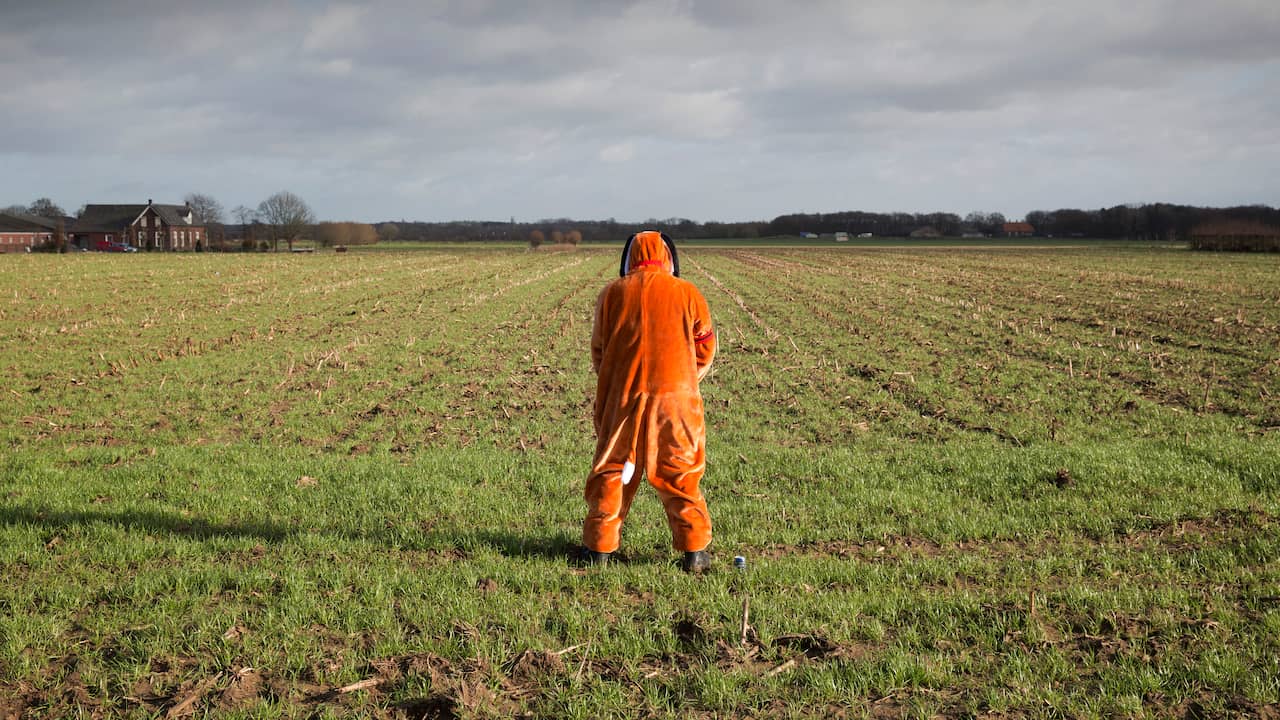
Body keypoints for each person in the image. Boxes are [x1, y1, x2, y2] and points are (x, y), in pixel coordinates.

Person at [580, 231, 717, 572]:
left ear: (629, 258)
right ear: (670, 258)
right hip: (675, 401)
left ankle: (599, 549)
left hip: (621, 398)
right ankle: (695, 551)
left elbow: (599, 350)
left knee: (613, 469)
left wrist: (613, 383)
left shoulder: (611, 293)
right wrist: (684, 379)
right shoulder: (688, 292)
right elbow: (705, 347)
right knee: (680, 470)